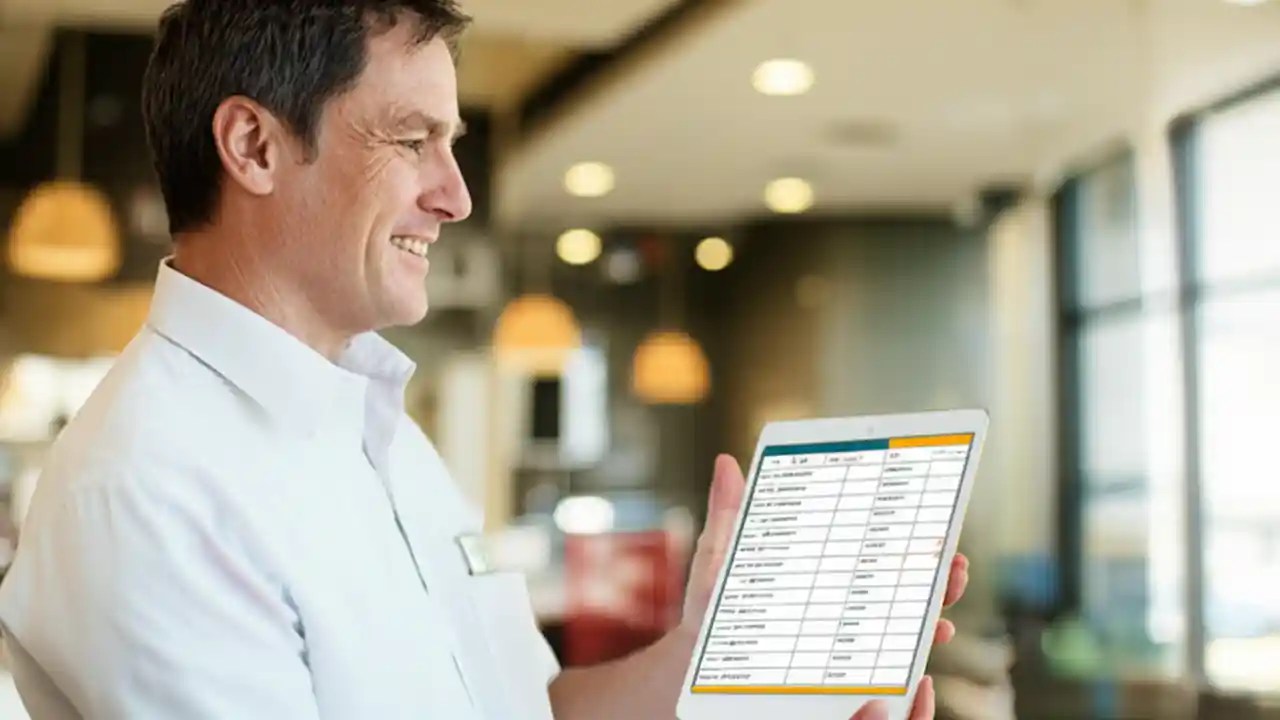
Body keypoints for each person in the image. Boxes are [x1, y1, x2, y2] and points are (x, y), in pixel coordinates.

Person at [0, 2, 970, 719]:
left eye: (450, 142)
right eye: (411, 139)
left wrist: (701, 662)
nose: (455, 196)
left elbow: (523, 706)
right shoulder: (147, 491)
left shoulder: (379, 436)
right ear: (253, 144)